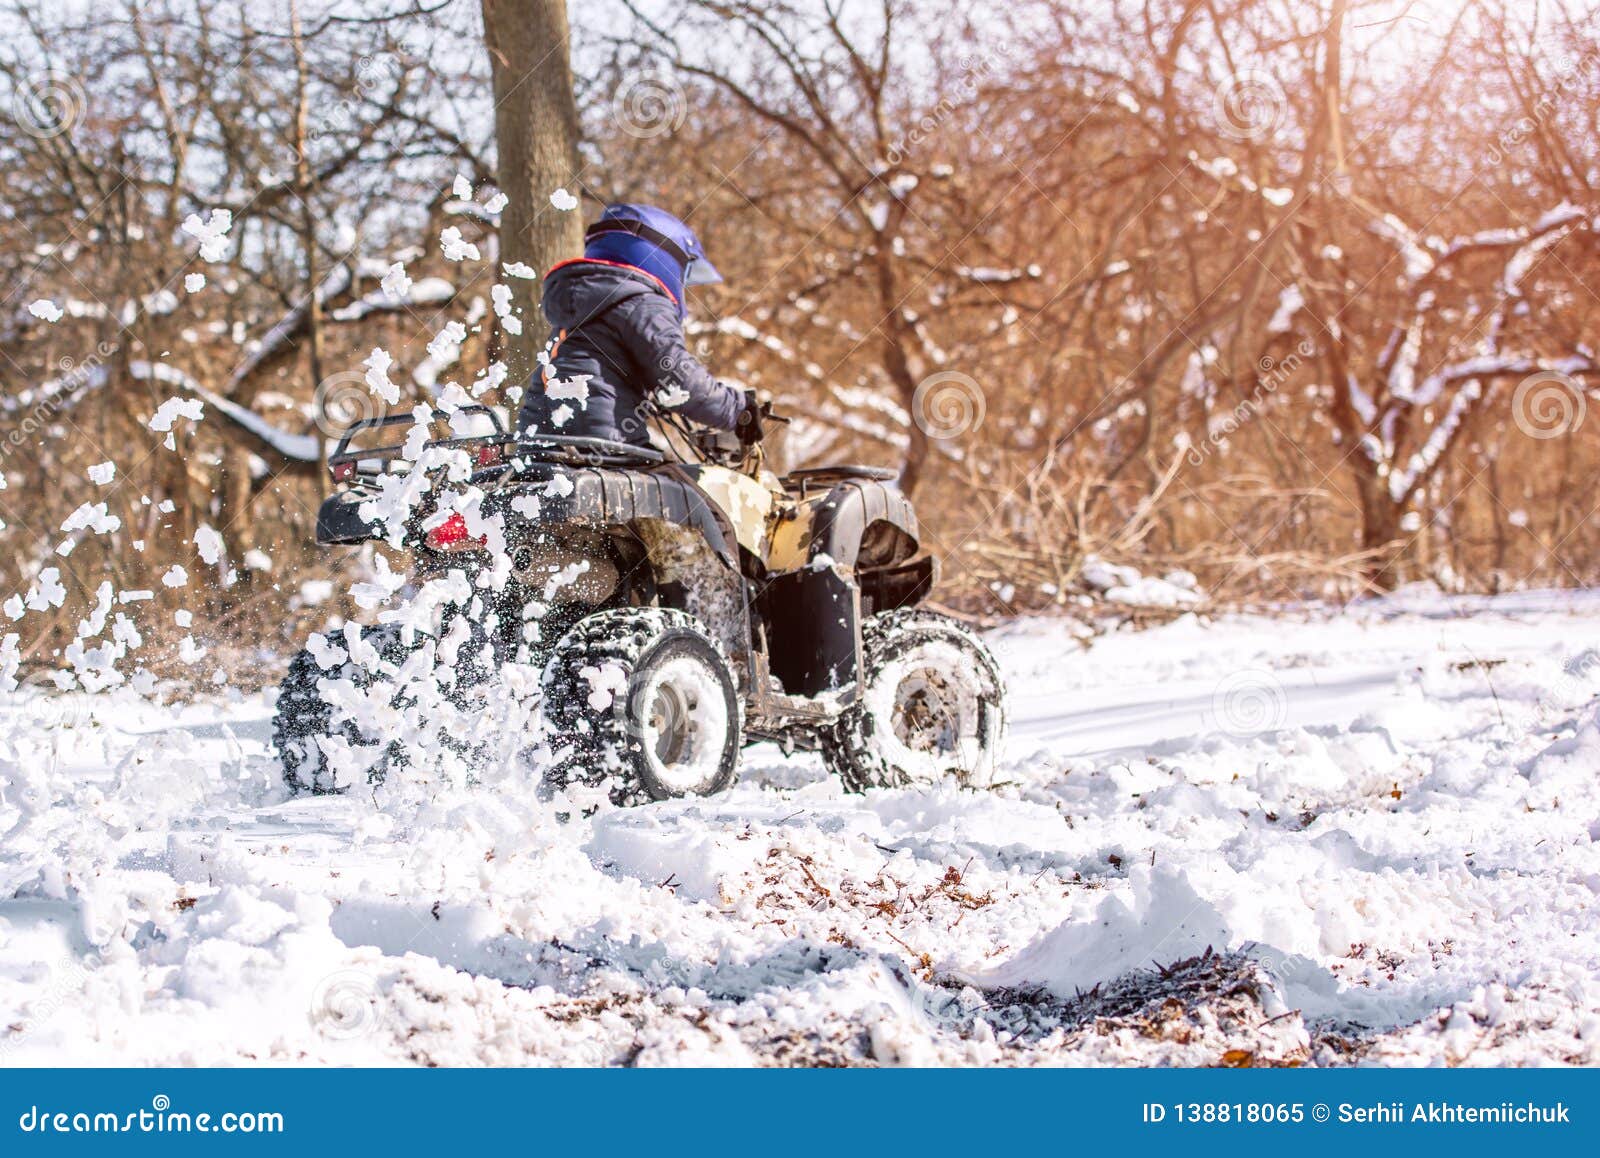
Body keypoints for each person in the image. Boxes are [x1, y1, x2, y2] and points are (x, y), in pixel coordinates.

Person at [517, 202, 758, 448]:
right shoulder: (642, 301)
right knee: (696, 485)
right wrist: (739, 410)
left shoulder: (588, 299)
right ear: (663, 257)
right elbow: (679, 379)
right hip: (602, 445)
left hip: (540, 444)